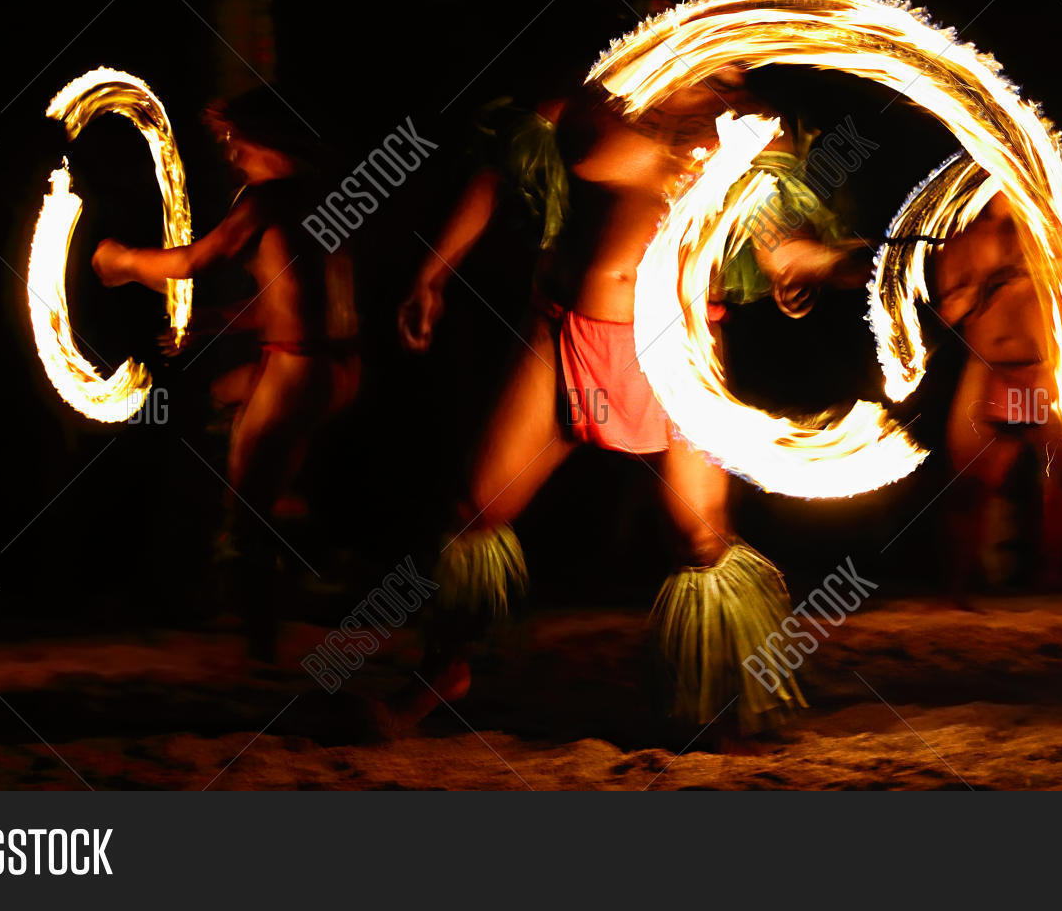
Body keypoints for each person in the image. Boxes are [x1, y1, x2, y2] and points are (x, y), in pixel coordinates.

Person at [389, 65, 867, 739]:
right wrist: (431, 274)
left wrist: (839, 263)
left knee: (699, 539)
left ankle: (722, 700)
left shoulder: (753, 127)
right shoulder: (585, 101)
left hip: (676, 346)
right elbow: (498, 174)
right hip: (562, 331)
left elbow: (781, 246)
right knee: (478, 507)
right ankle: (444, 669)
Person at [91, 88, 361, 660]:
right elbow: (285, 301)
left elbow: (192, 263)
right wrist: (209, 324)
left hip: (298, 370)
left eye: (229, 138)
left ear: (255, 137)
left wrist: (122, 262)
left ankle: (262, 637)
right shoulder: (322, 196)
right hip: (336, 364)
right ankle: (294, 521)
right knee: (219, 400)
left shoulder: (266, 201)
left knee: (248, 507)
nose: (227, 150)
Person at [929, 188, 1062, 609]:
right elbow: (948, 310)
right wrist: (991, 283)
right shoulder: (963, 240)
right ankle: (954, 594)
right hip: (991, 373)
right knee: (967, 490)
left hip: (1057, 371)